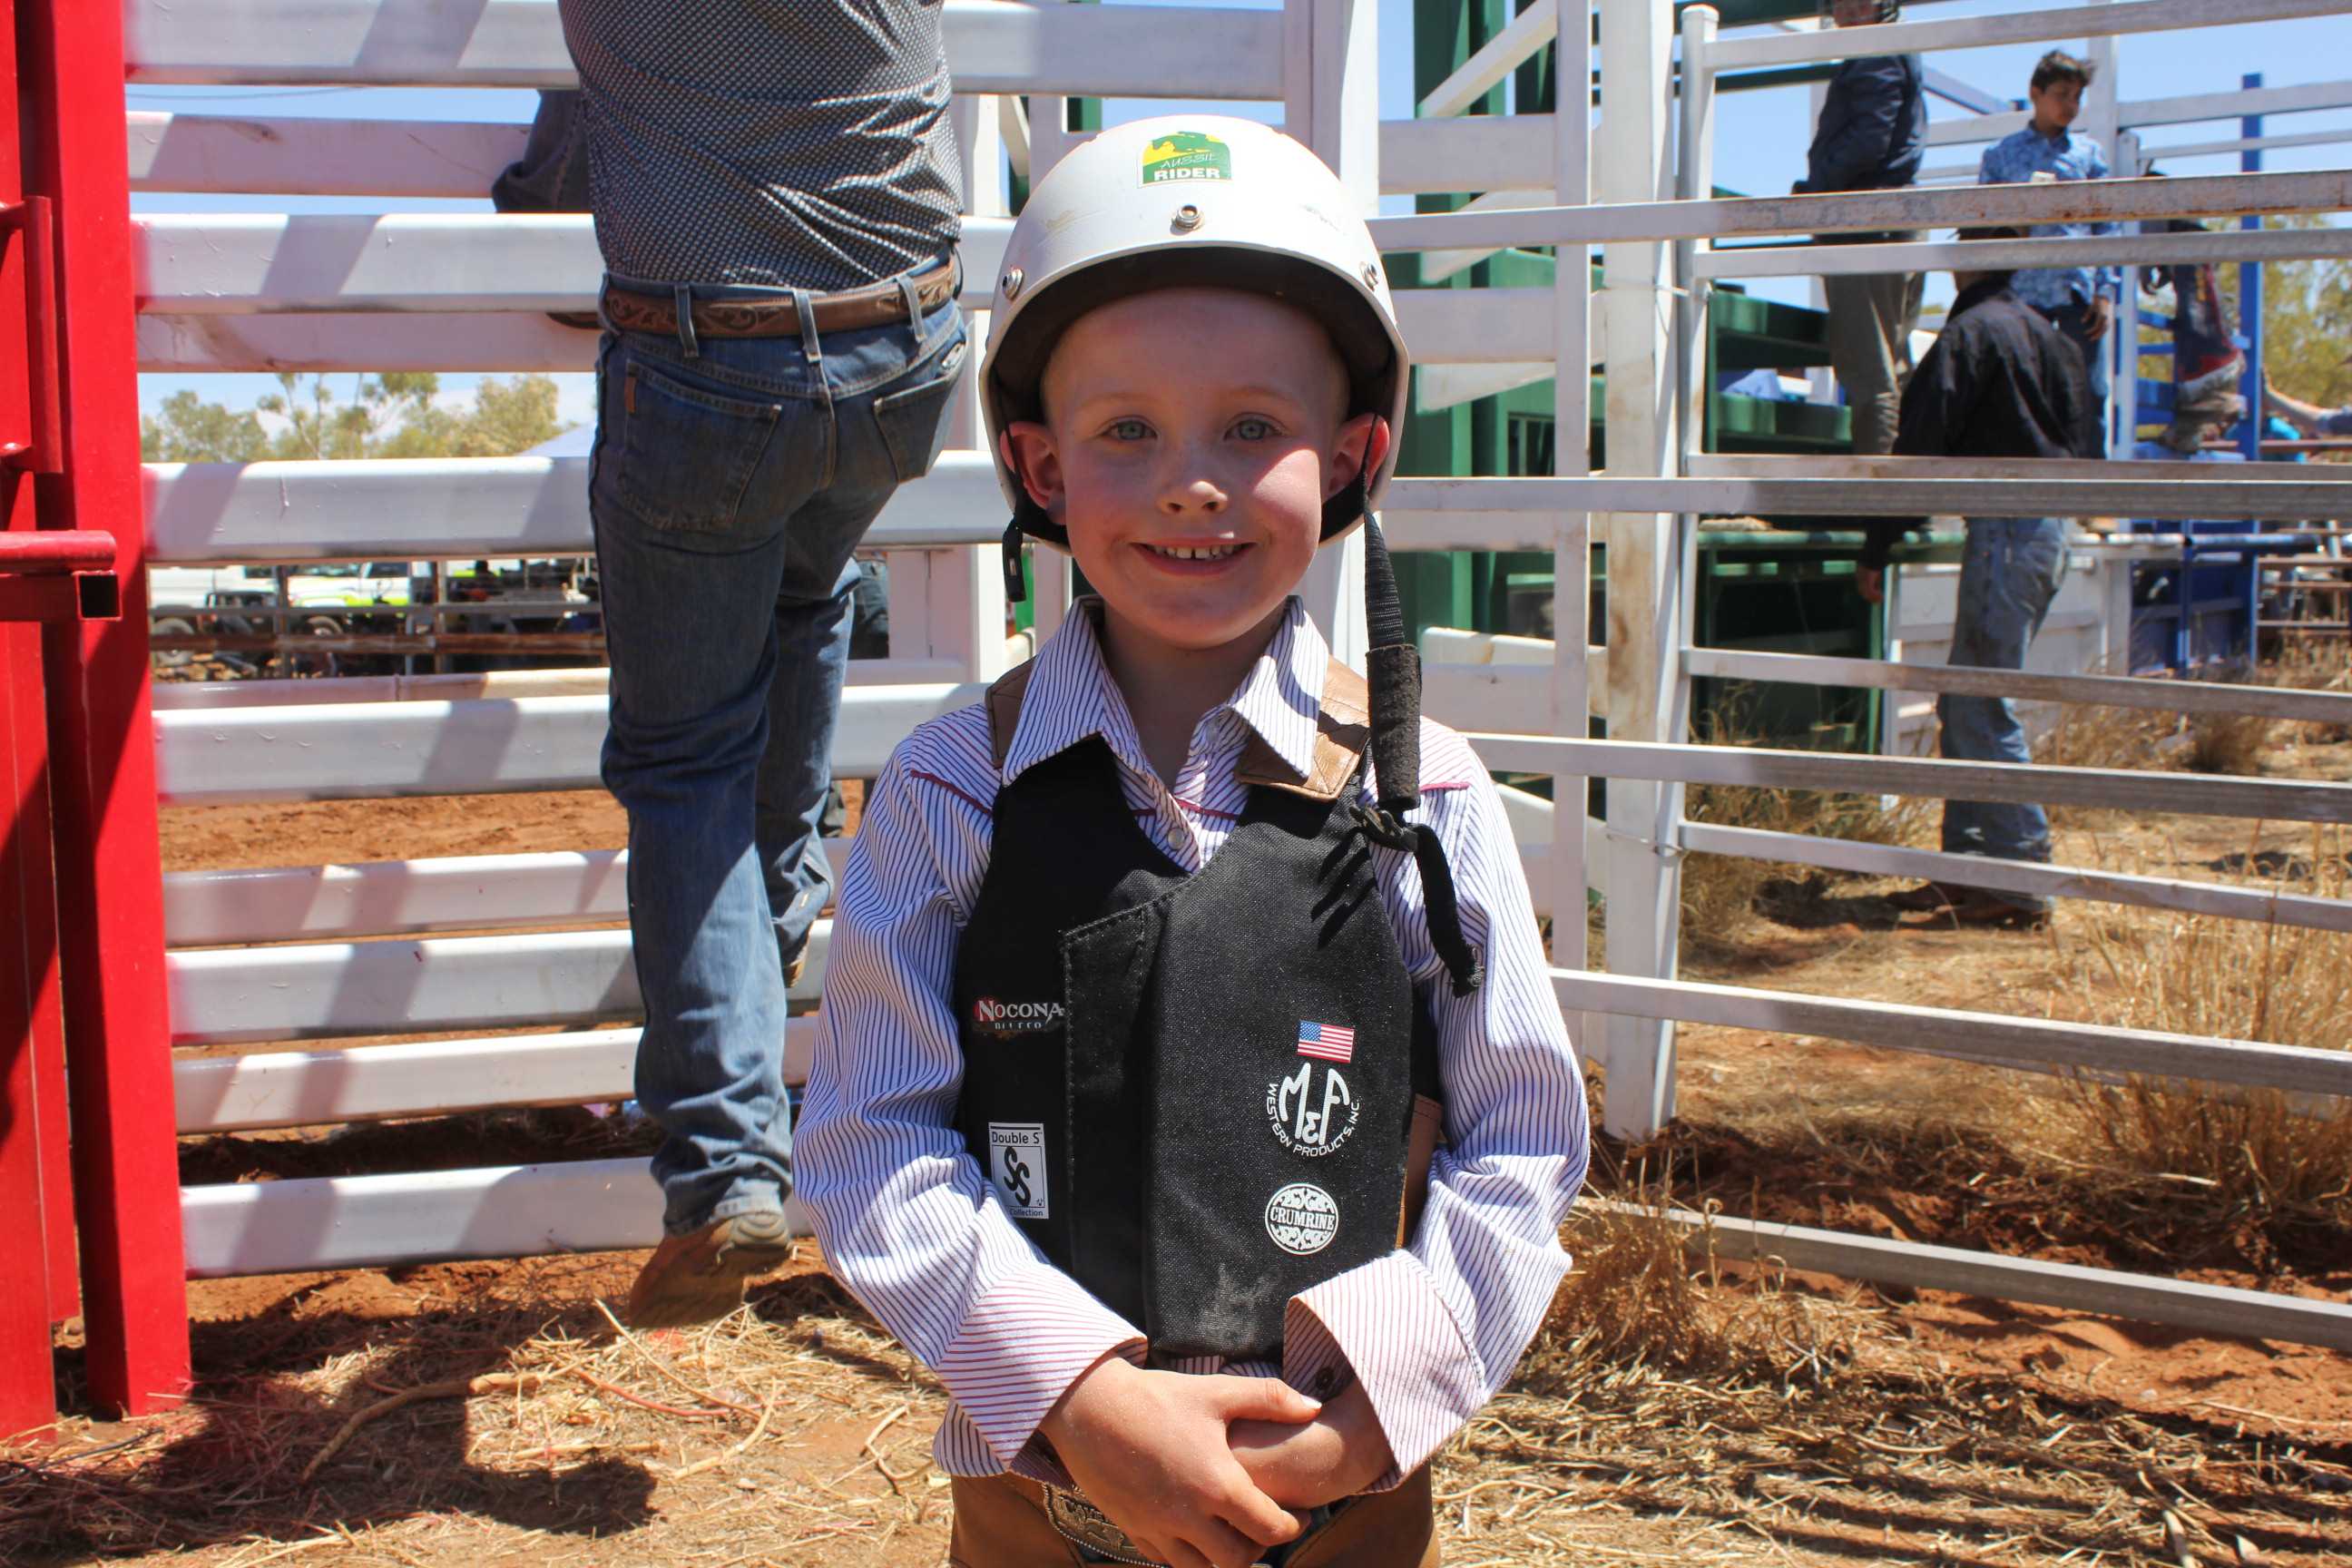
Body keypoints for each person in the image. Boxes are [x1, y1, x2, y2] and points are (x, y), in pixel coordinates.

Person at [795, 116, 1589, 1568]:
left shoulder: (1423, 797)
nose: (1191, 482)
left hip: (1339, 1504)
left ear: (1353, 457)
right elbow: (869, 1140)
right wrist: (1080, 1398)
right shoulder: (951, 793)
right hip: (1043, 1507)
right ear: (1037, 465)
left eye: (1251, 427)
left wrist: (1369, 1417)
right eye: (1126, 432)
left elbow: (1519, 1136)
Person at [552, 2, 970, 1328]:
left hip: (710, 364)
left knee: (688, 763)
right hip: (905, 350)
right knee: (802, 601)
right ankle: (764, 942)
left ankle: (725, 1163)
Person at [1859, 229, 2098, 930]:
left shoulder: (1969, 333)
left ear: (1962, 262)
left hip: (2005, 530)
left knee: (1981, 704)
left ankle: (2021, 878)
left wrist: (1878, 541)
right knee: (1967, 700)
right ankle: (1969, 867)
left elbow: (1920, 442)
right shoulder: (2051, 338)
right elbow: (2082, 434)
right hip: (2045, 530)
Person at [1794, 0, 1926, 457]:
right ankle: (1900, 485)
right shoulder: (1891, 48)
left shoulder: (1876, 52)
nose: (1848, 12)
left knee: (1870, 369)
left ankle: (1878, 489)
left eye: (1859, 2)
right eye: (1841, 3)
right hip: (1891, 216)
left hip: (1865, 218)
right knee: (1893, 363)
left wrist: (1817, 188)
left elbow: (1870, 139)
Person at [1977, 51, 2121, 449]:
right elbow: (1981, 225)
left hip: (2076, 291)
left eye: (2077, 97)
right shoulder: (2001, 155)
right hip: (2019, 292)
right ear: (2035, 93)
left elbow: (2107, 224)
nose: (2070, 105)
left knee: (2089, 390)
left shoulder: (2088, 155)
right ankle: (2027, 472)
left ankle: (2092, 480)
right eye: (2061, 94)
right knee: (2023, 388)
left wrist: (2105, 291)